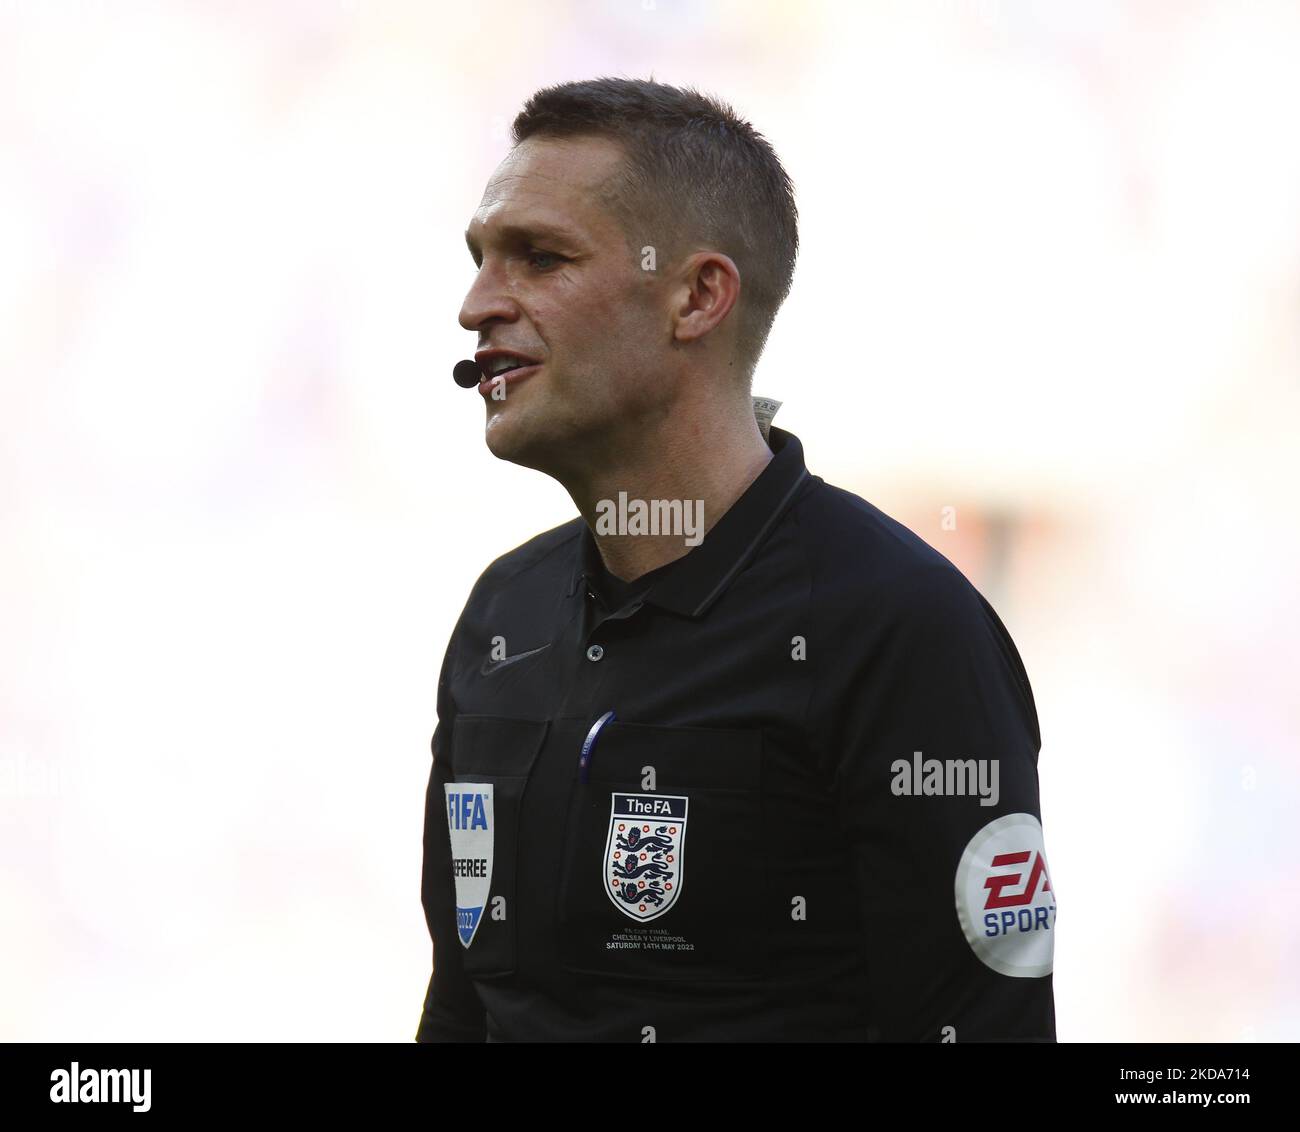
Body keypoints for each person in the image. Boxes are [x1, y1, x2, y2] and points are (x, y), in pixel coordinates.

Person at [417, 77, 1057, 1042]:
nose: (476, 306)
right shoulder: (505, 615)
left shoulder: (896, 627)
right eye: (479, 261)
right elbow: (464, 1008)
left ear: (697, 296)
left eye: (539, 259)